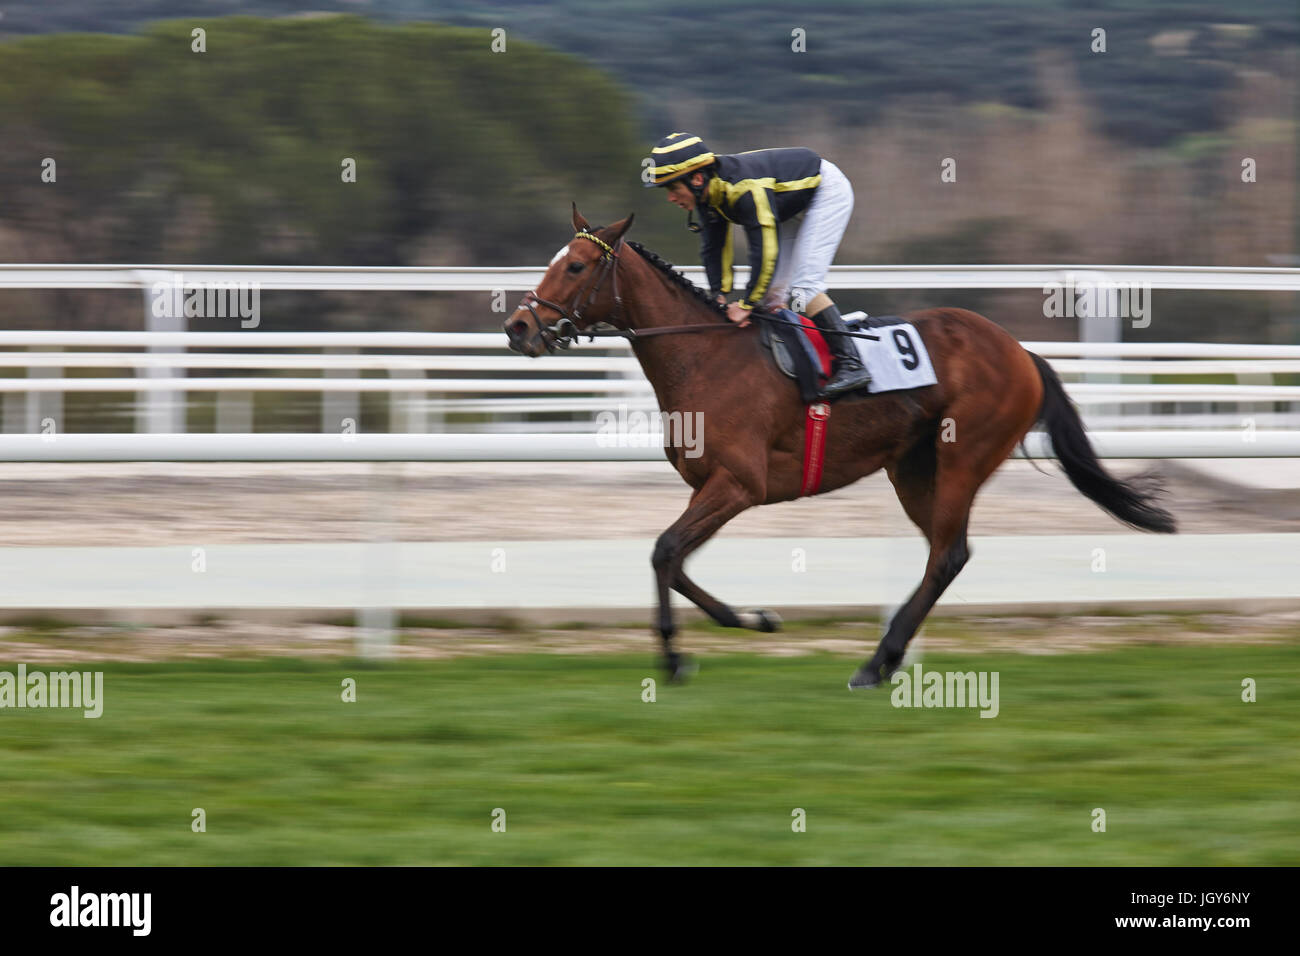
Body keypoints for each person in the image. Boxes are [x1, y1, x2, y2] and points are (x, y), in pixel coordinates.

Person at [646, 132, 870, 398]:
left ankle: (852, 364)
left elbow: (763, 250)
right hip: (788, 204)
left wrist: (746, 304)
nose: (671, 197)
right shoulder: (709, 196)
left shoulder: (744, 188)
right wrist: (719, 295)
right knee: (773, 299)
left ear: (696, 179)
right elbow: (714, 250)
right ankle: (792, 369)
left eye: (672, 188)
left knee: (804, 288)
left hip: (825, 191)